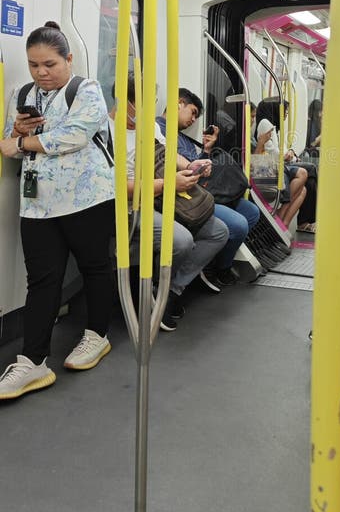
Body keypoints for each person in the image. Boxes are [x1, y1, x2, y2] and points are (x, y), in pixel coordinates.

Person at [0, 22, 116, 400]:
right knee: (42, 280)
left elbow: (75, 136)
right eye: (33, 65)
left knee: (95, 267)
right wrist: (18, 131)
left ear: (68, 59)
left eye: (49, 64)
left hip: (87, 198)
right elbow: (7, 142)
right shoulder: (22, 93)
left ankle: (97, 335)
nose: (41, 73)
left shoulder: (87, 89)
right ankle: (32, 361)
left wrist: (22, 141)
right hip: (37, 203)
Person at [110, 75, 229, 330]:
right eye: (136, 104)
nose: (143, 110)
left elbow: (168, 153)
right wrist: (168, 184)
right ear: (122, 101)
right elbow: (117, 188)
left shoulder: (148, 126)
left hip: (160, 194)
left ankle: (169, 290)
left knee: (219, 232)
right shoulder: (107, 131)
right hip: (132, 204)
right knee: (182, 240)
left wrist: (192, 166)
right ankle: (158, 291)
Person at [177, 87, 260, 288]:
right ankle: (216, 268)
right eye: (193, 113)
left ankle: (215, 262)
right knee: (239, 224)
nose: (194, 121)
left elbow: (199, 167)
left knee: (251, 212)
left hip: (202, 186)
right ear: (179, 104)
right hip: (188, 194)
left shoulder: (185, 137)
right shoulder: (161, 133)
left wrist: (206, 150)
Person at [254, 96, 308, 227]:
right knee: (304, 173)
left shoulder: (273, 126)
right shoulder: (266, 124)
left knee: (304, 190)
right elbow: (272, 153)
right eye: (284, 110)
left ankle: (284, 224)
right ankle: (279, 219)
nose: (286, 114)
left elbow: (279, 149)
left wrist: (289, 154)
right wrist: (287, 156)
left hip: (276, 163)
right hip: (268, 166)